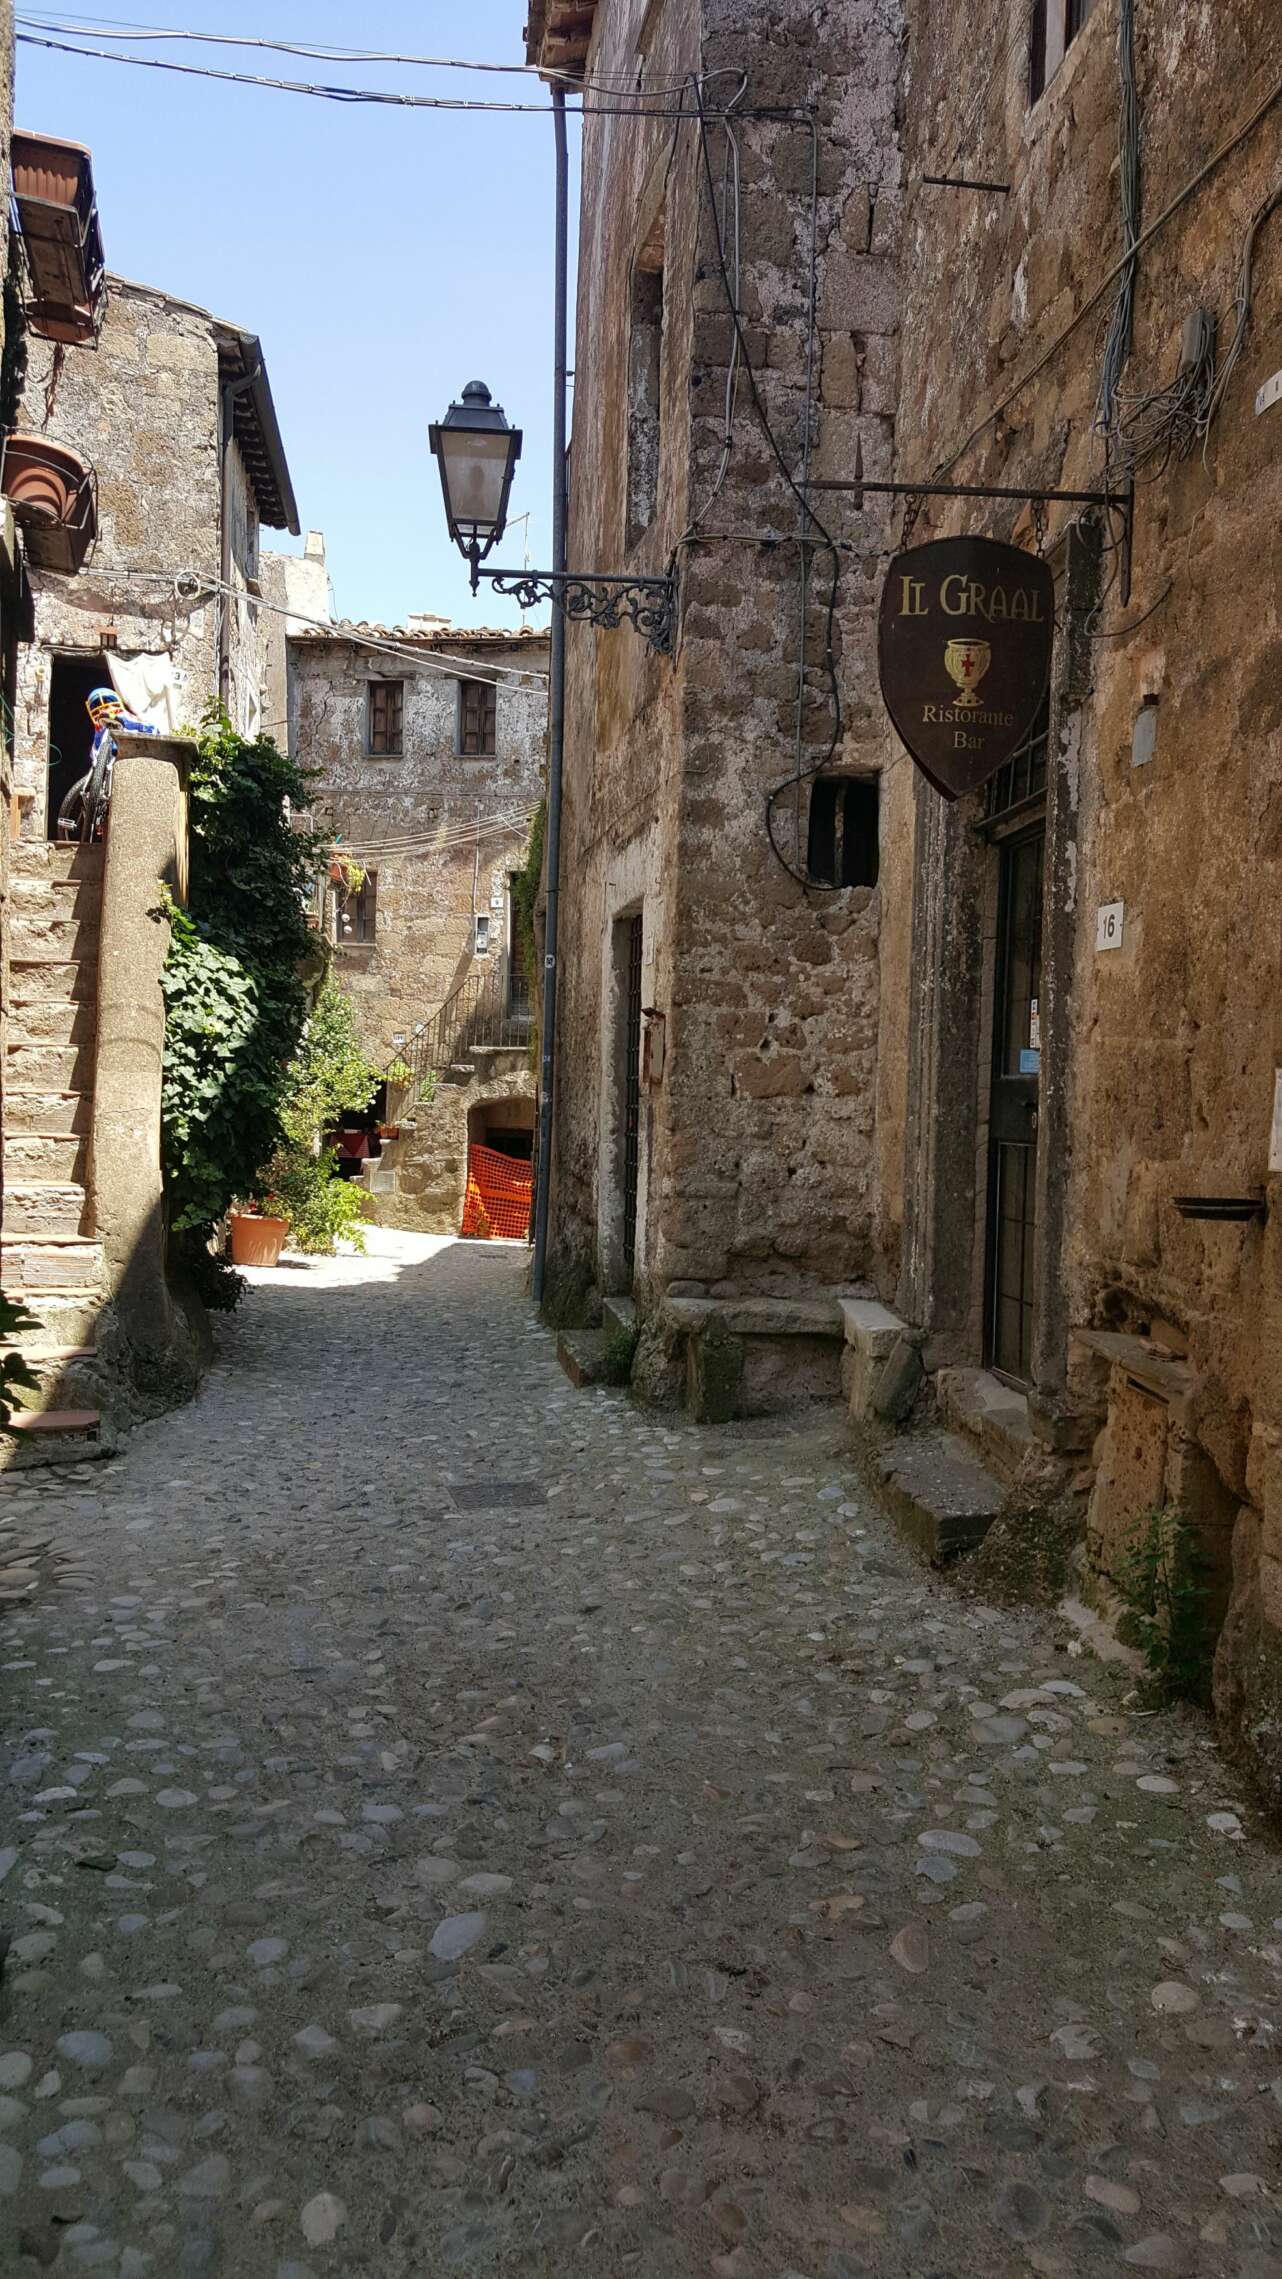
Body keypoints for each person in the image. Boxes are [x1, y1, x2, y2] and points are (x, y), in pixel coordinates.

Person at [57, 687, 157, 842]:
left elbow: (150, 728)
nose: (105, 708)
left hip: (126, 756)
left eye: (108, 704)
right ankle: (94, 810)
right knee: (94, 780)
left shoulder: (128, 716)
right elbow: (95, 749)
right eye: (99, 706)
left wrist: (126, 723)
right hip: (105, 761)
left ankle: (102, 820)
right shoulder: (100, 726)